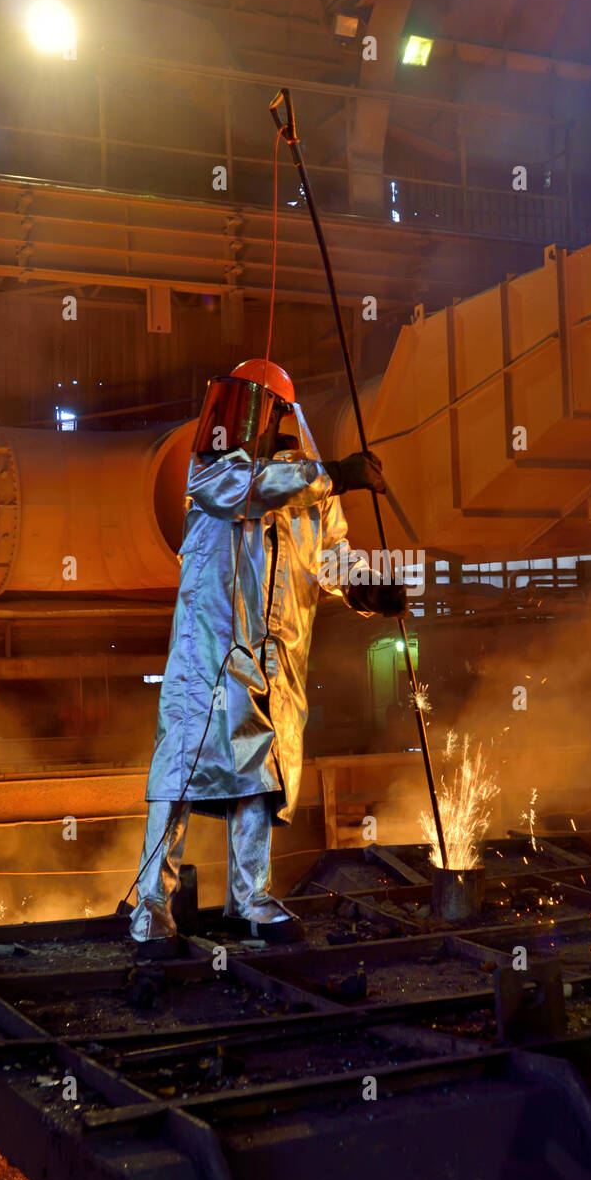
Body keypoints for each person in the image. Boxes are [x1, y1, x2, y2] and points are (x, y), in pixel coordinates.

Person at [130, 359, 406, 957]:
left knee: (262, 771)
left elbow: (332, 556)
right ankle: (151, 904)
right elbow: (249, 490)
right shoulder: (214, 474)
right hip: (208, 650)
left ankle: (250, 899)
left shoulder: (313, 490)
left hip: (277, 655)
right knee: (180, 770)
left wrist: (365, 588)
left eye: (251, 409)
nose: (235, 423)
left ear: (280, 416)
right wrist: (335, 472)